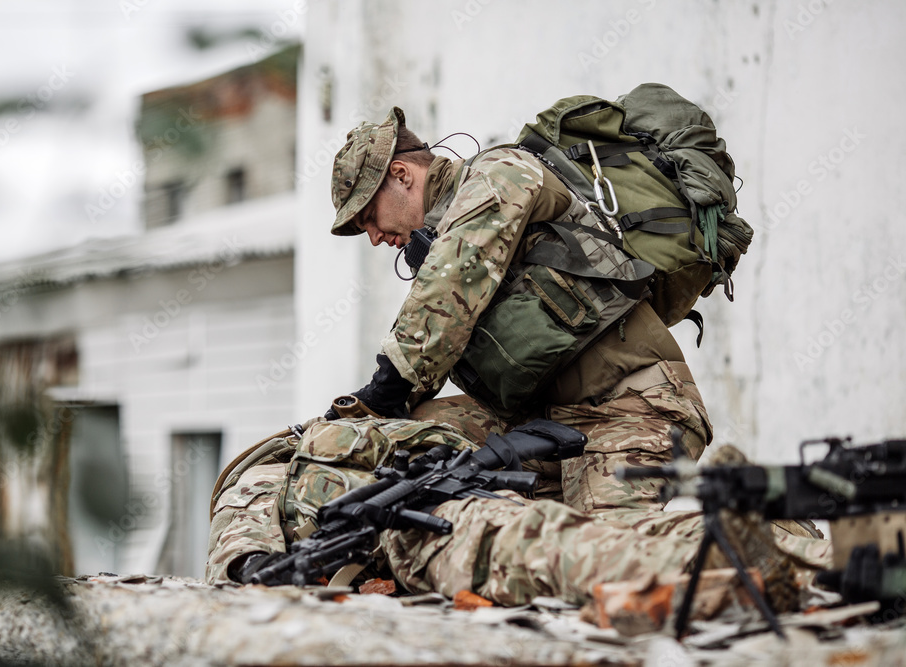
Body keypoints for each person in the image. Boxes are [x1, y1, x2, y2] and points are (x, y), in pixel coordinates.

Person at [206, 106, 830, 610]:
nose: (373, 236)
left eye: (369, 216)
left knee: (621, 565)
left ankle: (790, 541)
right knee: (358, 448)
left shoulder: (501, 172)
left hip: (632, 407)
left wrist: (387, 384)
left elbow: (450, 287)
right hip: (541, 426)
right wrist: (358, 428)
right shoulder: (439, 256)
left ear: (403, 174)